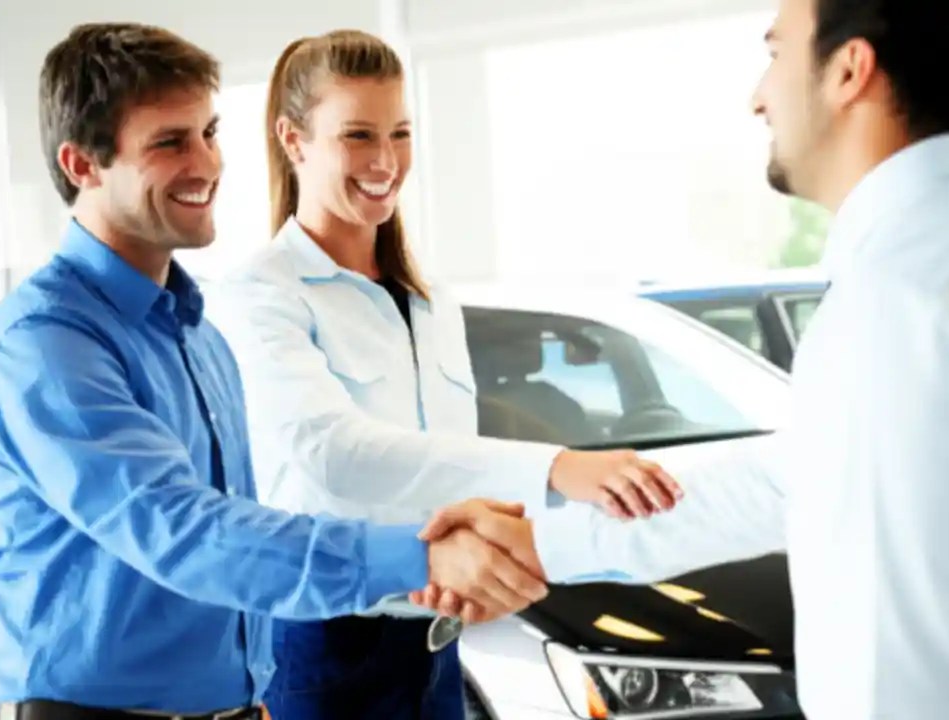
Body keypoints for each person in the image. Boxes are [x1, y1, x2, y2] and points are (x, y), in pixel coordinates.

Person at [414, 1, 949, 718]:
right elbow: (788, 481)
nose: (758, 97)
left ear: (848, 72)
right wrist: (542, 544)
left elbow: (893, 680)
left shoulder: (899, 304)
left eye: (776, 53)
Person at [0, 23, 548, 720]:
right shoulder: (47, 343)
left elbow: (241, 530)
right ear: (83, 164)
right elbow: (183, 531)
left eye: (209, 133)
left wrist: (251, 688)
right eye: (169, 143)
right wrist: (423, 558)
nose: (206, 164)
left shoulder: (197, 333)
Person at [202, 29, 684, 720]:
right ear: (294, 139)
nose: (386, 161)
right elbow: (333, 454)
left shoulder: (429, 299)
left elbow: (448, 469)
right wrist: (558, 467)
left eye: (400, 133)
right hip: (323, 645)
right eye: (359, 136)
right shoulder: (260, 293)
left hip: (436, 638)